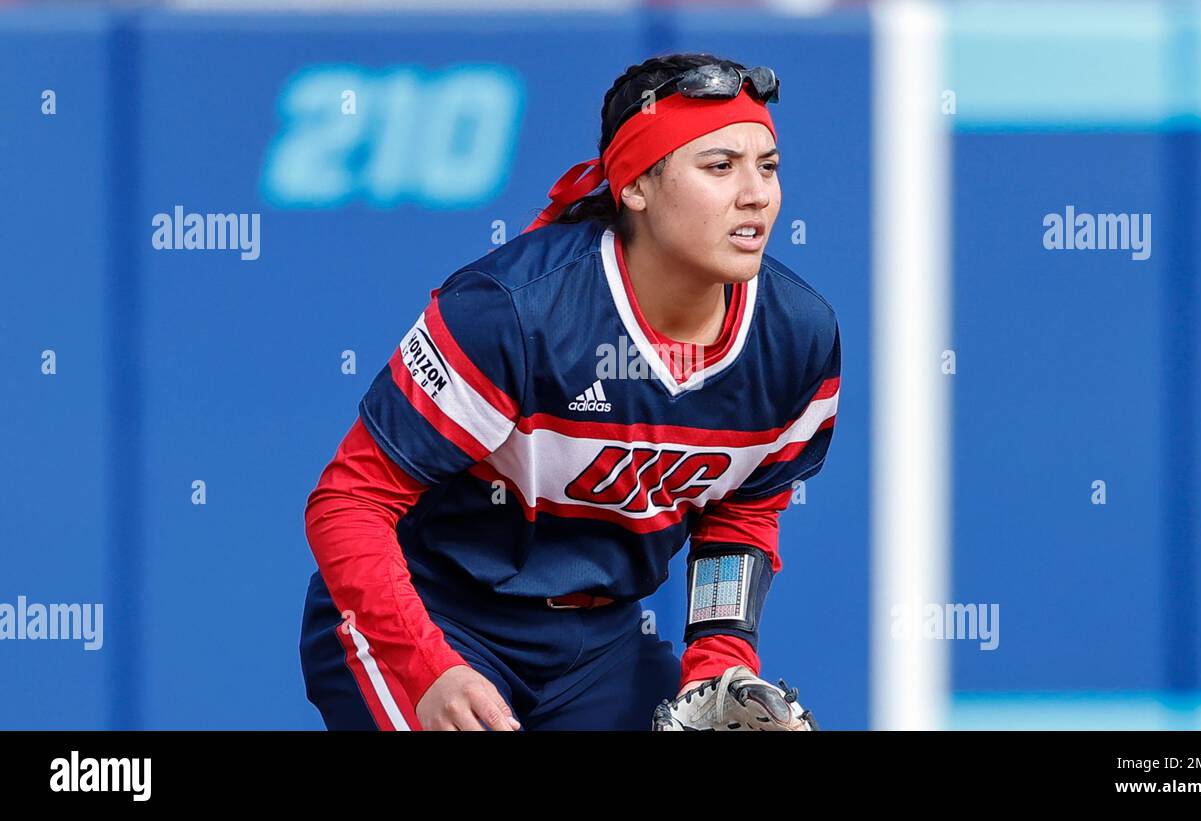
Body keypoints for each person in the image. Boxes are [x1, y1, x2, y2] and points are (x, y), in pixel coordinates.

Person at [299, 52, 841, 731]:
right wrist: (425, 664)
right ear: (636, 185)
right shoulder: (512, 312)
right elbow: (347, 503)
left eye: (767, 165)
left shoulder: (797, 337)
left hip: (599, 645)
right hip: (433, 611)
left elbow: (743, 511)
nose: (757, 193)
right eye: (719, 166)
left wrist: (716, 663)